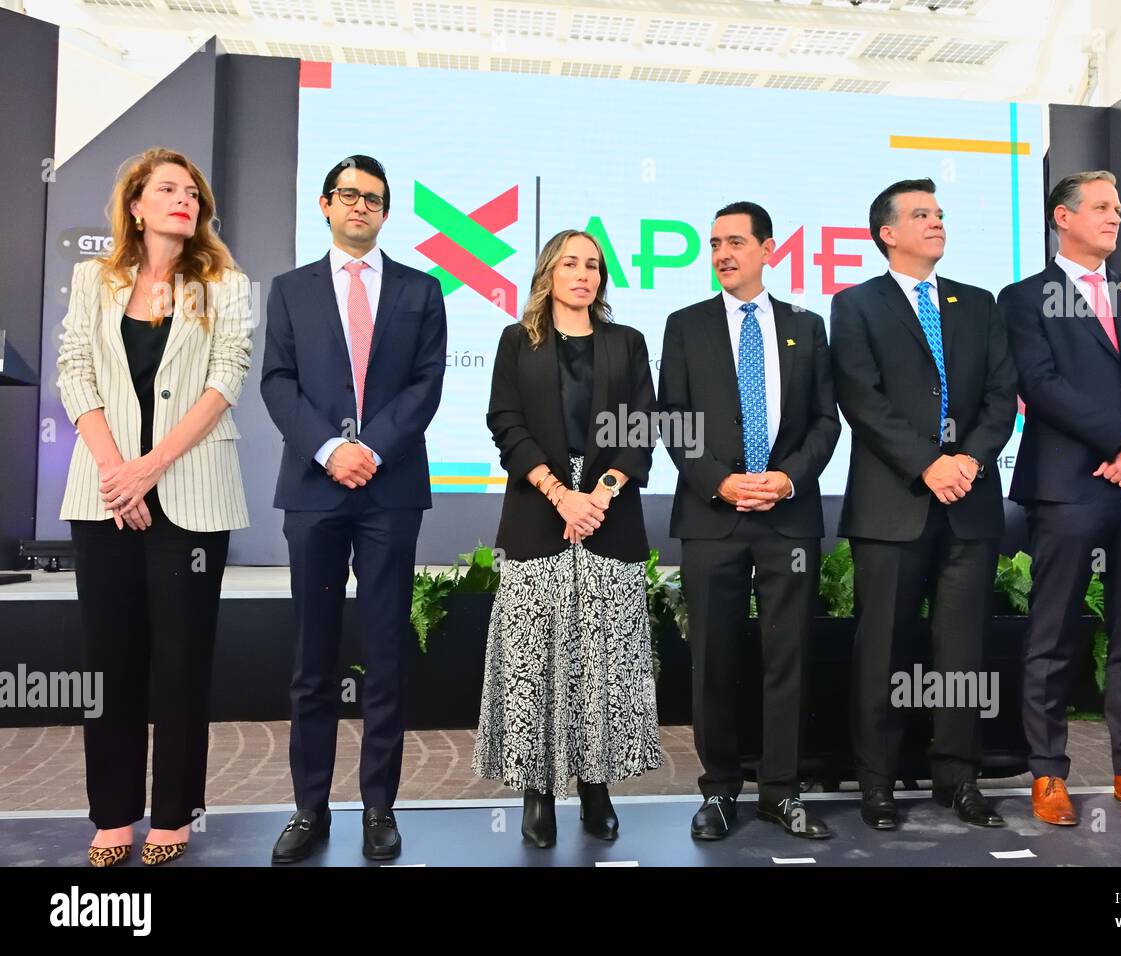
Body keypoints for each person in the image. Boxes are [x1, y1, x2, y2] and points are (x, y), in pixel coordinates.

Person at [56, 147, 253, 866]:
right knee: (109, 663)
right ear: (135, 206)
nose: (184, 200)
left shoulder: (227, 285)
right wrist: (118, 473)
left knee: (180, 661)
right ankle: (111, 815)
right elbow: (74, 370)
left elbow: (225, 381)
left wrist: (150, 469)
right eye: (167, 189)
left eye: (192, 193)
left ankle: (173, 813)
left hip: (190, 496)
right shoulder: (93, 280)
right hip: (104, 495)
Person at [262, 155, 447, 863]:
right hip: (314, 491)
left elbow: (426, 386)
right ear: (325, 204)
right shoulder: (289, 291)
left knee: (385, 655)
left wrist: (369, 448)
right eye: (348, 196)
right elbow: (278, 382)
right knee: (311, 659)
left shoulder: (420, 290)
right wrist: (328, 451)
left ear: (386, 212)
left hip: (390, 488)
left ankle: (378, 807)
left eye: (373, 198)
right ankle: (309, 809)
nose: (360, 207)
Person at [998, 170, 1121, 825]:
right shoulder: (1024, 298)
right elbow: (1041, 386)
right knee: (1051, 634)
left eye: (1118, 207)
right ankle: (1048, 775)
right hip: (1066, 487)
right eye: (1103, 207)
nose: (1116, 216)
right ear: (1062, 216)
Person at [829, 178, 1018, 830]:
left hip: (969, 500)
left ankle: (956, 776)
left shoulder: (979, 303)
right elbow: (863, 399)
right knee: (882, 649)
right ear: (887, 232)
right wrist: (927, 463)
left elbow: (1002, 396)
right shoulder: (855, 304)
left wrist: (966, 461)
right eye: (920, 214)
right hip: (894, 505)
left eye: (938, 213)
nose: (936, 222)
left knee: (961, 652)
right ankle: (877, 783)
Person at [473, 229, 662, 848]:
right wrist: (561, 496)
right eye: (571, 263)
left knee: (599, 663)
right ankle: (536, 791)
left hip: (609, 517)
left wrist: (600, 493)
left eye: (595, 265)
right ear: (548, 272)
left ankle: (594, 787)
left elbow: (641, 426)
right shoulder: (516, 341)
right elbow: (506, 423)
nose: (584, 274)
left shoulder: (626, 343)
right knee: (534, 663)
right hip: (538, 514)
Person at [659, 201, 840, 841]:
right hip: (713, 520)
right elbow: (671, 420)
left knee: (786, 658)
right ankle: (719, 790)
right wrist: (719, 481)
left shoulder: (806, 327)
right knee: (714, 659)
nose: (721, 254)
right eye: (713, 244)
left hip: (788, 519)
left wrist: (788, 478)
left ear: (769, 250)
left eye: (735, 241)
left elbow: (826, 421)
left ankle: (781, 793)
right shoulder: (685, 326)